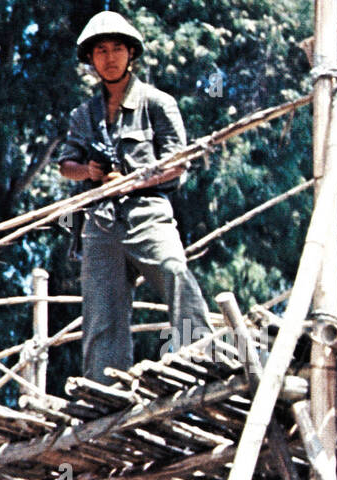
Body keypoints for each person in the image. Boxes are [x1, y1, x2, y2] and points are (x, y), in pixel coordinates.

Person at [58, 12, 213, 381]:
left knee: (175, 272)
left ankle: (205, 359)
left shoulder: (157, 103)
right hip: (99, 222)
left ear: (131, 53)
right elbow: (66, 164)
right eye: (100, 51)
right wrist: (90, 173)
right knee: (101, 311)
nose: (109, 58)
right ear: (91, 59)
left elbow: (179, 163)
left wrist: (130, 181)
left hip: (148, 213)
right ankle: (104, 388)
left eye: (116, 49)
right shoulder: (84, 114)